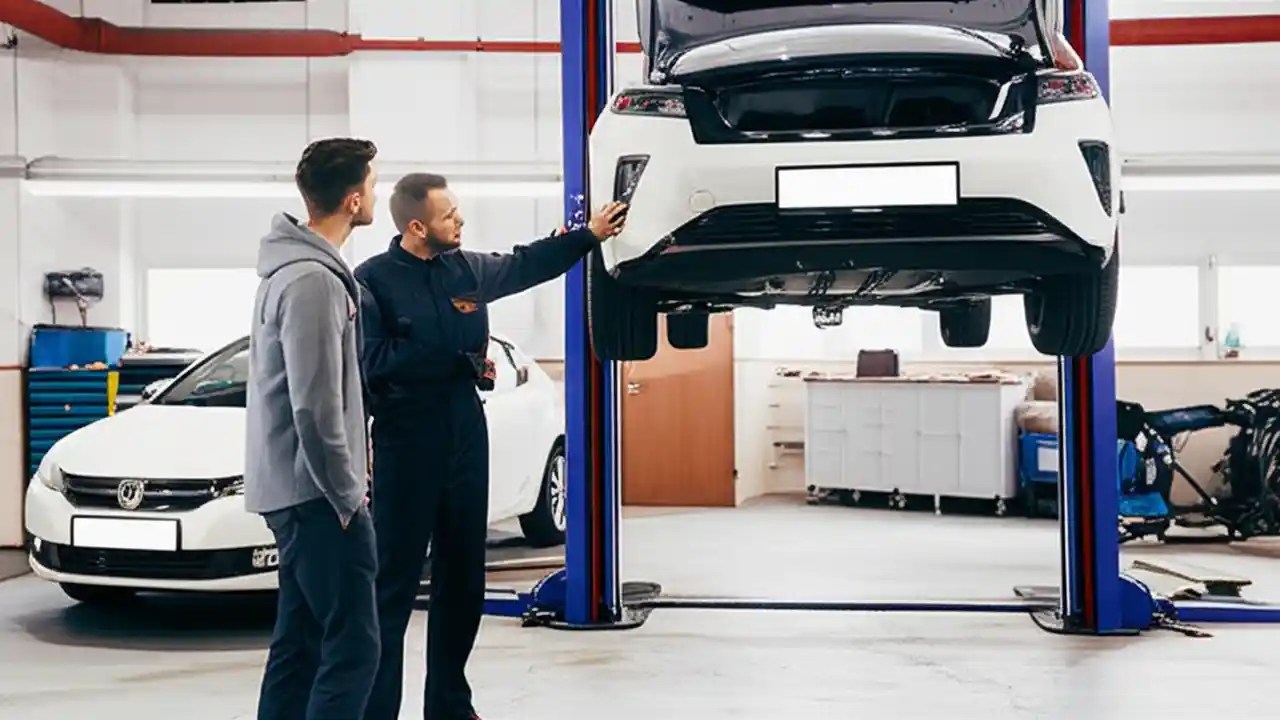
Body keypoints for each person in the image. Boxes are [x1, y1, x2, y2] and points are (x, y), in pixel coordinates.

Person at [356, 172, 627, 720]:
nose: (460, 220)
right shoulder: (373, 281)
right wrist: (444, 359)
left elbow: (526, 263)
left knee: (463, 577)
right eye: (448, 215)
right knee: (393, 582)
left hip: (463, 432)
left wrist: (588, 236)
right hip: (406, 440)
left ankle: (450, 705)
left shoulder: (467, 270)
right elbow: (371, 363)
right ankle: (376, 709)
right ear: (416, 226)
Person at [244, 137, 382, 720]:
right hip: (318, 499)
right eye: (374, 184)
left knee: (298, 647)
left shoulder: (295, 273)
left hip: (300, 495)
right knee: (354, 647)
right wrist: (348, 495)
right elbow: (315, 408)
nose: (377, 193)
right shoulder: (312, 283)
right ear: (353, 201)